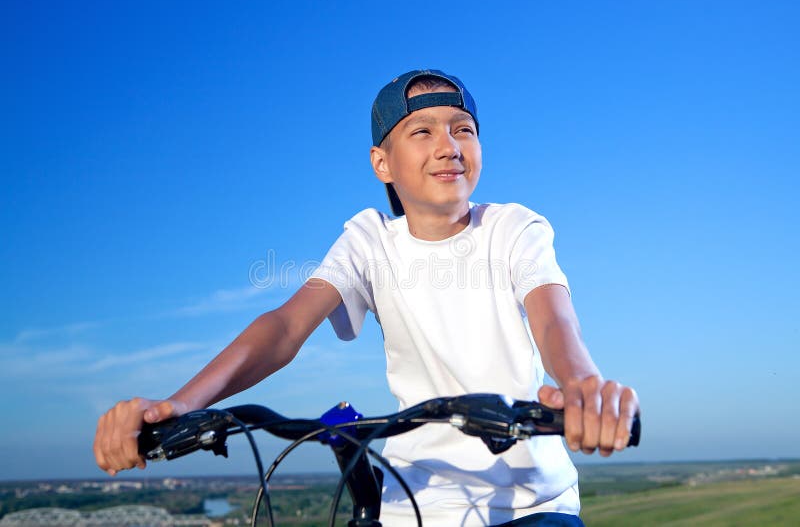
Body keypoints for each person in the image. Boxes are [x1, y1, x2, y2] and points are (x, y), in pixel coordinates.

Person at [94, 69, 640, 526]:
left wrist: (582, 386)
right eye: (422, 132)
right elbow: (286, 327)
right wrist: (182, 405)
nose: (448, 146)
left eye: (463, 129)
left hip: (530, 502)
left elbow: (552, 319)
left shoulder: (513, 228)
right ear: (383, 163)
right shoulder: (369, 239)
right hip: (415, 504)